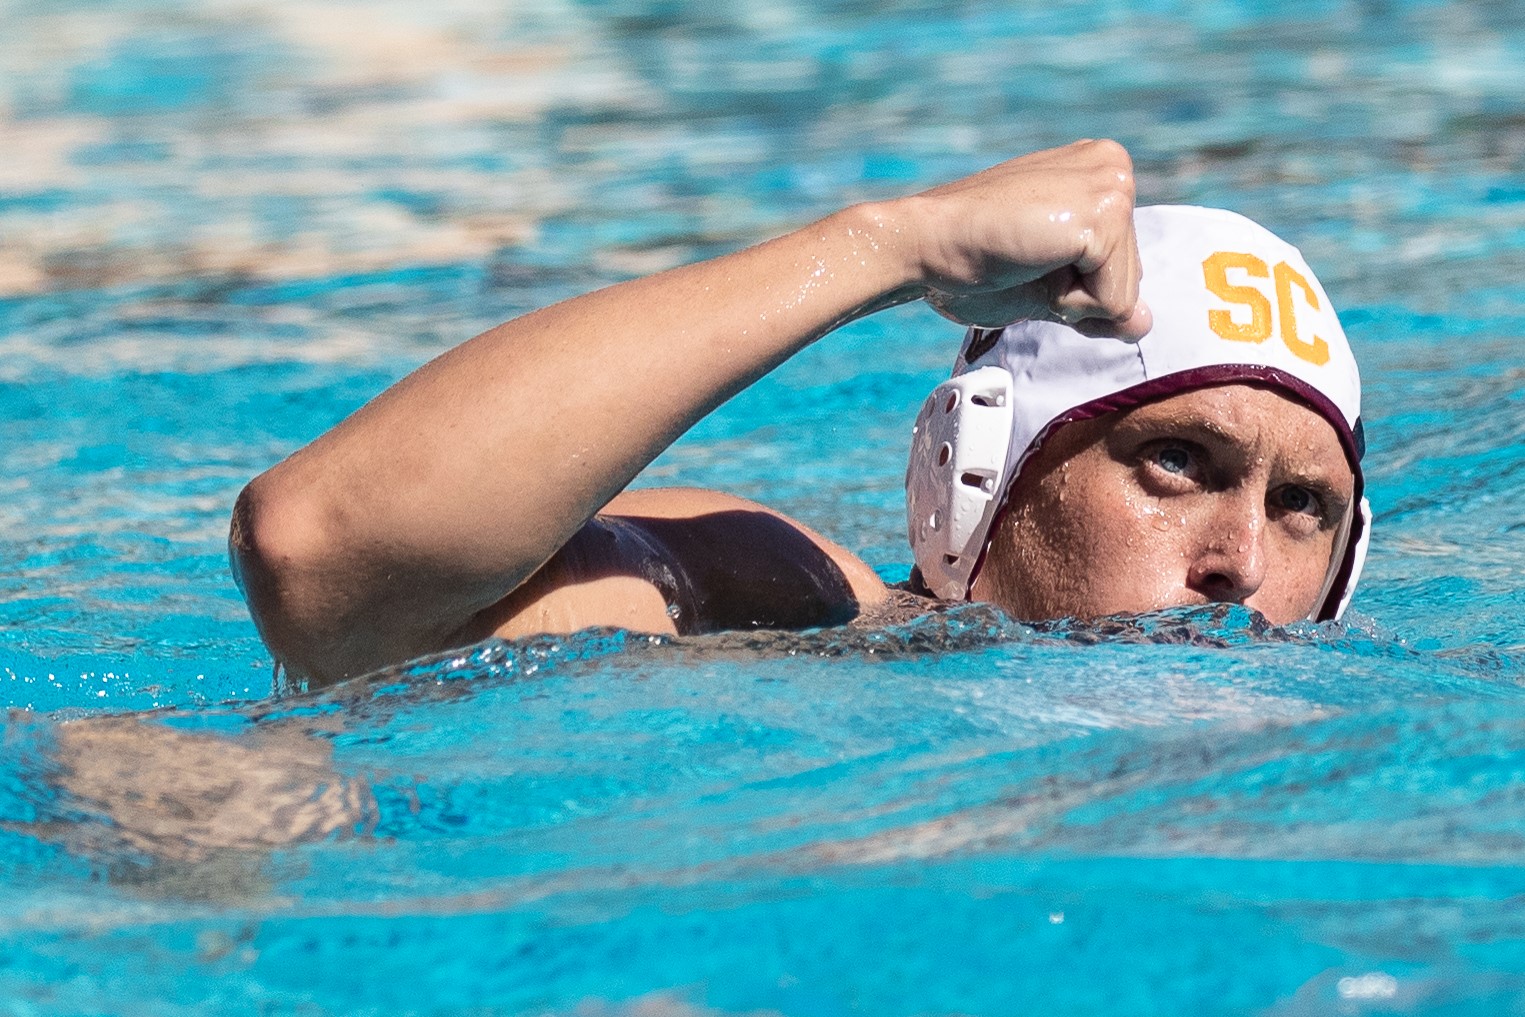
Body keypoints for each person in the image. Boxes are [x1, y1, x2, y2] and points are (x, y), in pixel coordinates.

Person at [229, 140, 1368, 687]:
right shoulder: (785, 615)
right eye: (1173, 460)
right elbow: (326, 557)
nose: (1241, 561)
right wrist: (889, 248)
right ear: (980, 481)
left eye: (1305, 504)